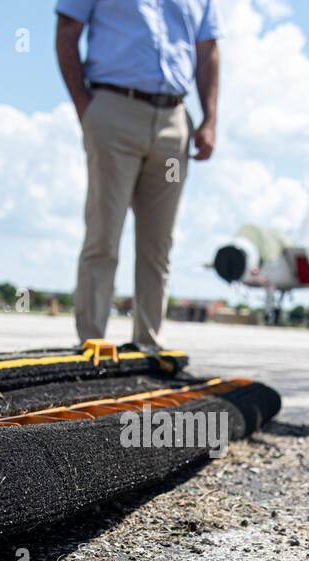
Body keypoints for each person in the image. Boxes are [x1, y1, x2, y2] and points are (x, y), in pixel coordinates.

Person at [55, 0, 221, 350]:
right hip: (114, 109)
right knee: (104, 234)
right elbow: (67, 31)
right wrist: (86, 108)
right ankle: (92, 342)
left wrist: (209, 119)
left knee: (159, 243)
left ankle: (148, 342)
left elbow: (207, 51)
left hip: (174, 122)